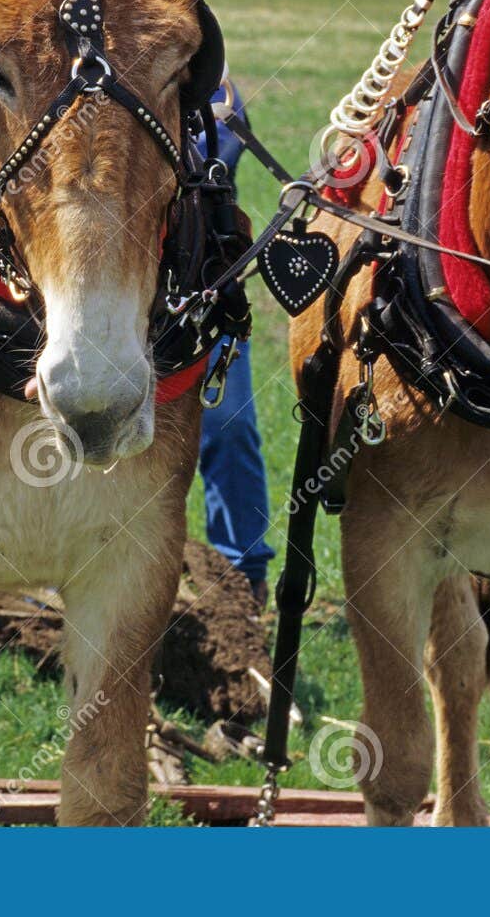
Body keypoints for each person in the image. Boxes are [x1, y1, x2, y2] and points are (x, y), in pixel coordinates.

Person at [199, 74, 275, 608]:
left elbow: (218, 139)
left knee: (228, 426)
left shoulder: (210, 76)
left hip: (202, 284)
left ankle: (241, 575)